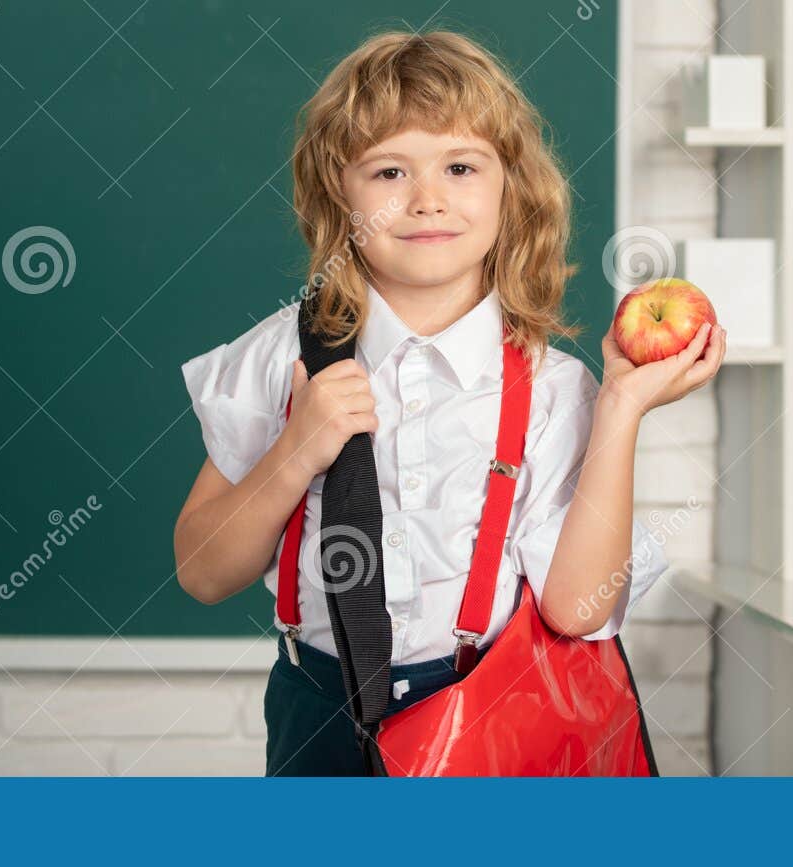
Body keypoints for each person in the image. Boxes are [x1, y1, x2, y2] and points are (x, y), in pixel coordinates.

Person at [174, 30, 725, 776]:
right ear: (339, 190)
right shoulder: (281, 356)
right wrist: (295, 453)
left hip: (485, 716)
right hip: (318, 717)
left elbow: (578, 609)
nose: (428, 198)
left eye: (461, 166)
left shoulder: (555, 389)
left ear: (512, 187)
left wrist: (621, 407)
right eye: (390, 170)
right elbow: (203, 571)